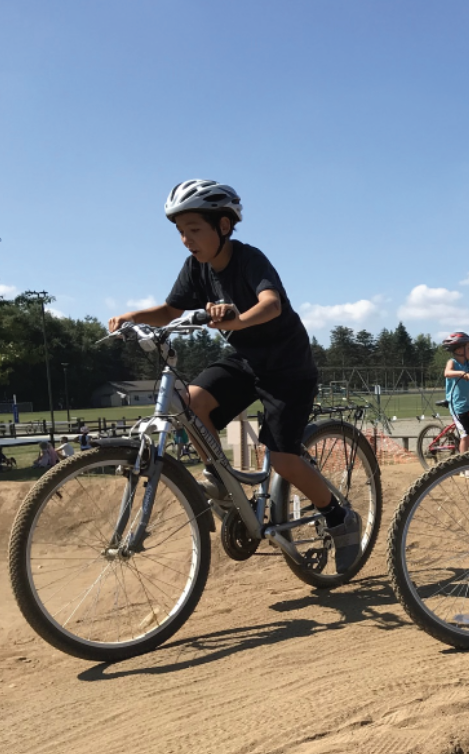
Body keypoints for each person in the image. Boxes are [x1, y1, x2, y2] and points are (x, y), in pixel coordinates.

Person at [107, 180, 363, 569]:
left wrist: (238, 319)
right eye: (180, 231)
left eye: (194, 229)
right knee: (189, 402)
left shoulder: (249, 259)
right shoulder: (197, 268)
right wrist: (132, 317)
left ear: (223, 226)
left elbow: (272, 304)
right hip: (246, 360)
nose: (185, 239)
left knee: (283, 459)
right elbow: (170, 311)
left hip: (287, 368)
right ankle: (224, 485)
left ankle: (340, 518)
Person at [442, 332, 469, 476]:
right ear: (459, 350)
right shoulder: (453, 362)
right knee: (466, 435)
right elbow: (447, 373)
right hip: (458, 406)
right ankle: (463, 469)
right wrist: (462, 373)